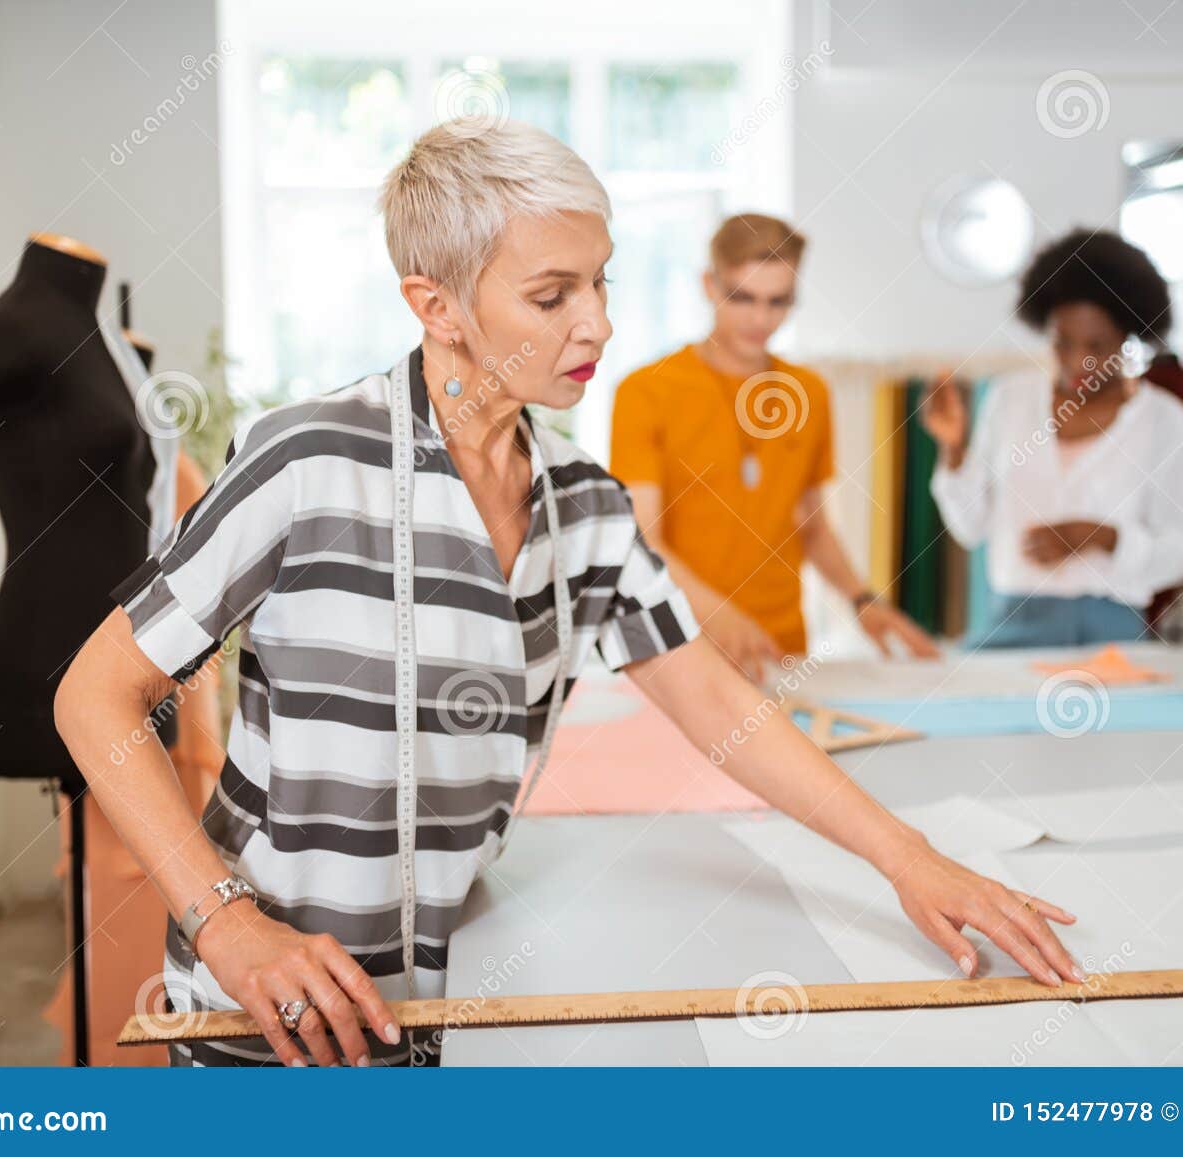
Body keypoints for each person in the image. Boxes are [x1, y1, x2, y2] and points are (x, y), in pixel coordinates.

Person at [54, 121, 1081, 1069]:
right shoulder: (307, 458)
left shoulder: (583, 506)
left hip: (442, 1006)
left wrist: (910, 858)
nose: (597, 321)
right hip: (269, 1007)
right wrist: (229, 922)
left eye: (599, 283)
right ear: (436, 306)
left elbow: (718, 704)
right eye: (552, 297)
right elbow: (95, 695)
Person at [611, 214, 938, 679]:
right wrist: (718, 615)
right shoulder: (646, 391)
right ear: (709, 284)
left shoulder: (809, 392)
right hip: (678, 644)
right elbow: (644, 538)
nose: (761, 319)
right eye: (742, 298)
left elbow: (812, 527)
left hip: (779, 647)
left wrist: (862, 601)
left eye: (778, 301)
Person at [921, 228, 1183, 648]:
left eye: (1095, 345)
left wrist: (1102, 537)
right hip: (1010, 627)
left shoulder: (1169, 422)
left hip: (1114, 634)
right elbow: (970, 528)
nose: (1076, 362)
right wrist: (952, 447)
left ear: (1128, 340)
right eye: (1062, 342)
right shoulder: (1009, 400)